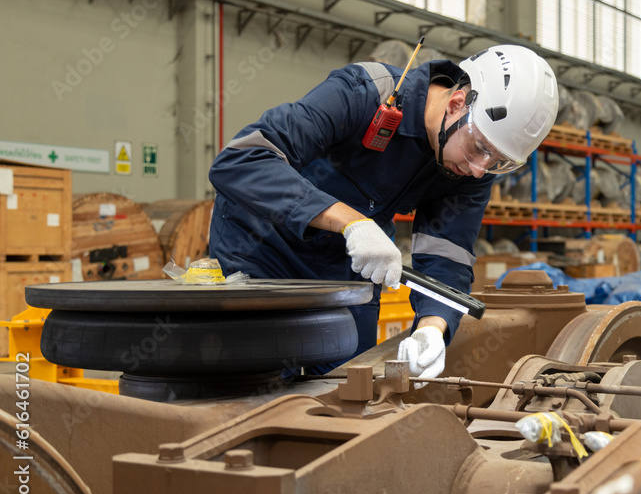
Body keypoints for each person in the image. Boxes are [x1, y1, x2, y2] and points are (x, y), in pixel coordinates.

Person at [209, 44, 559, 386]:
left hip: (348, 267)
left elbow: (447, 255)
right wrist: (351, 222)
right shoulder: (363, 92)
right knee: (252, 385)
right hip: (262, 249)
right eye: (481, 149)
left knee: (348, 388)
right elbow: (241, 161)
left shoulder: (471, 165)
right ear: (456, 104)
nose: (481, 169)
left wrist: (432, 329)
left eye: (499, 162)